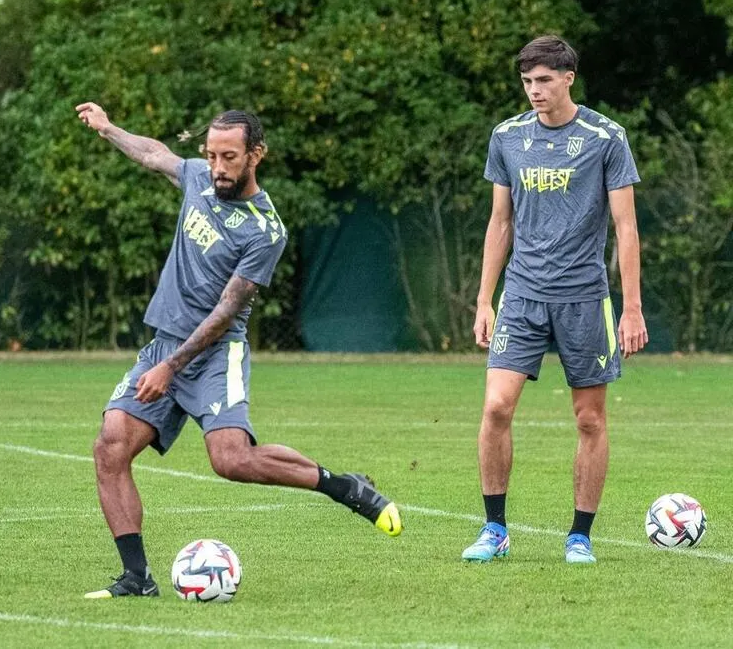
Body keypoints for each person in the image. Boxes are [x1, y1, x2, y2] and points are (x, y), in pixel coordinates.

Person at [75, 102, 402, 598]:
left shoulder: (264, 229)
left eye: (229, 157)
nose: (218, 167)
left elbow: (226, 311)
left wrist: (172, 366)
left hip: (212, 354)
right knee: (111, 443)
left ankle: (343, 486)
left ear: (256, 155)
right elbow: (154, 154)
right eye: (210, 155)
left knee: (231, 460)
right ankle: (137, 578)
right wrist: (107, 129)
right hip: (164, 344)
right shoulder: (198, 180)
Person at [461, 35, 649, 565]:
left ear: (568, 78)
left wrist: (631, 307)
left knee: (589, 420)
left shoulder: (605, 137)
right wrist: (483, 299)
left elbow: (626, 227)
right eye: (527, 82)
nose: (534, 91)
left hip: (585, 298)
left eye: (544, 80)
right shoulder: (507, 137)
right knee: (496, 406)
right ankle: (494, 529)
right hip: (521, 294)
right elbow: (500, 222)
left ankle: (579, 536)